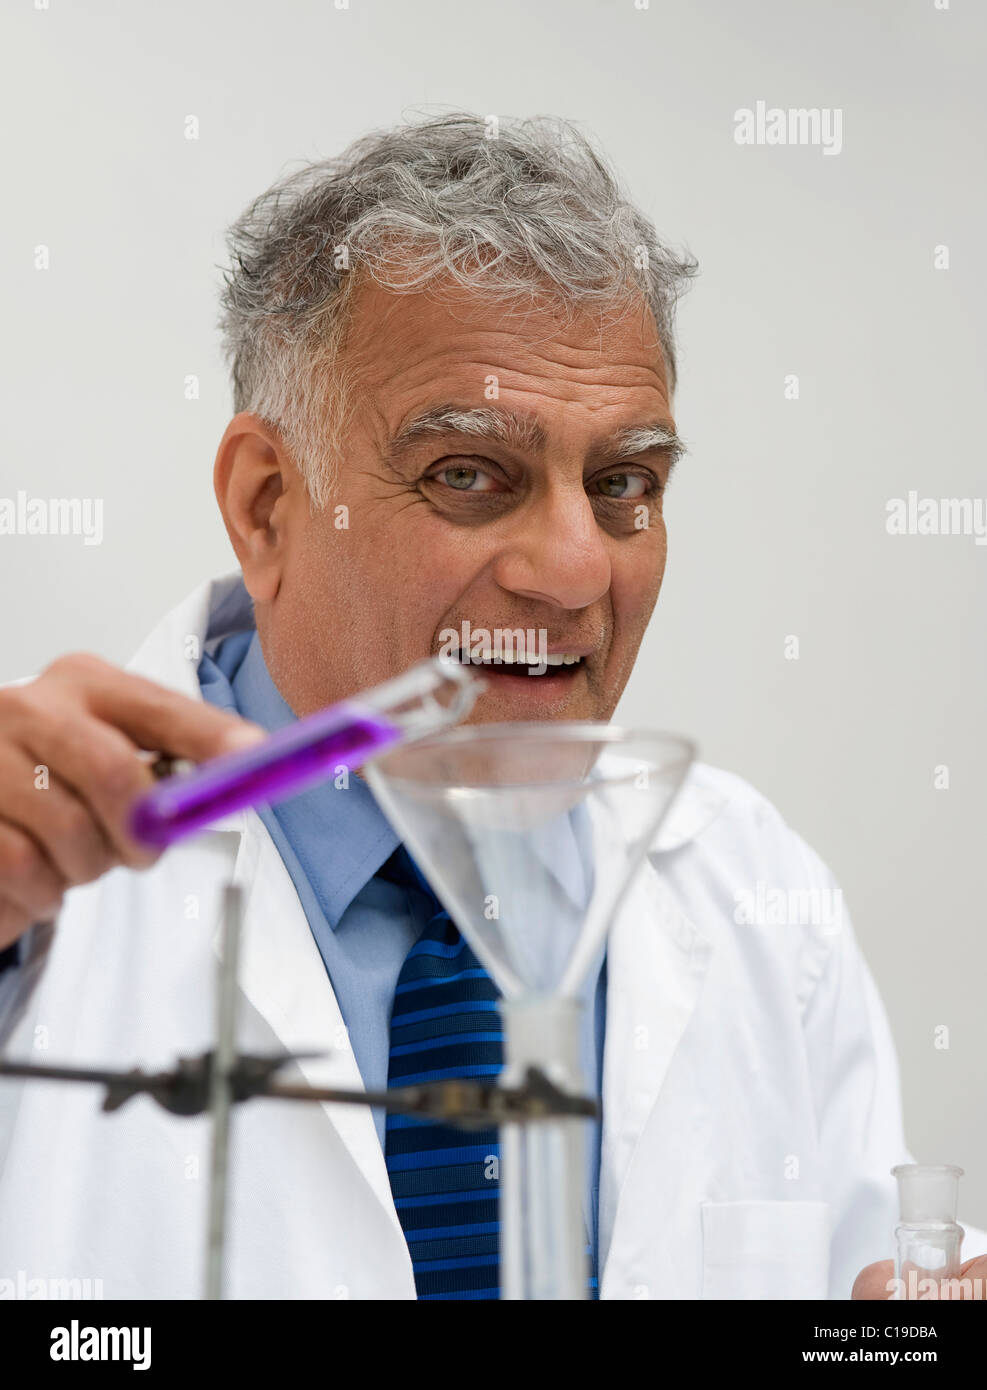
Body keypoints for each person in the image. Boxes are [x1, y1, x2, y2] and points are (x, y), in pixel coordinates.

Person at [0, 112, 981, 1300]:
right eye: (469, 475)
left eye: (624, 483)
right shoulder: (36, 894)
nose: (576, 570)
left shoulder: (758, 896)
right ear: (266, 507)